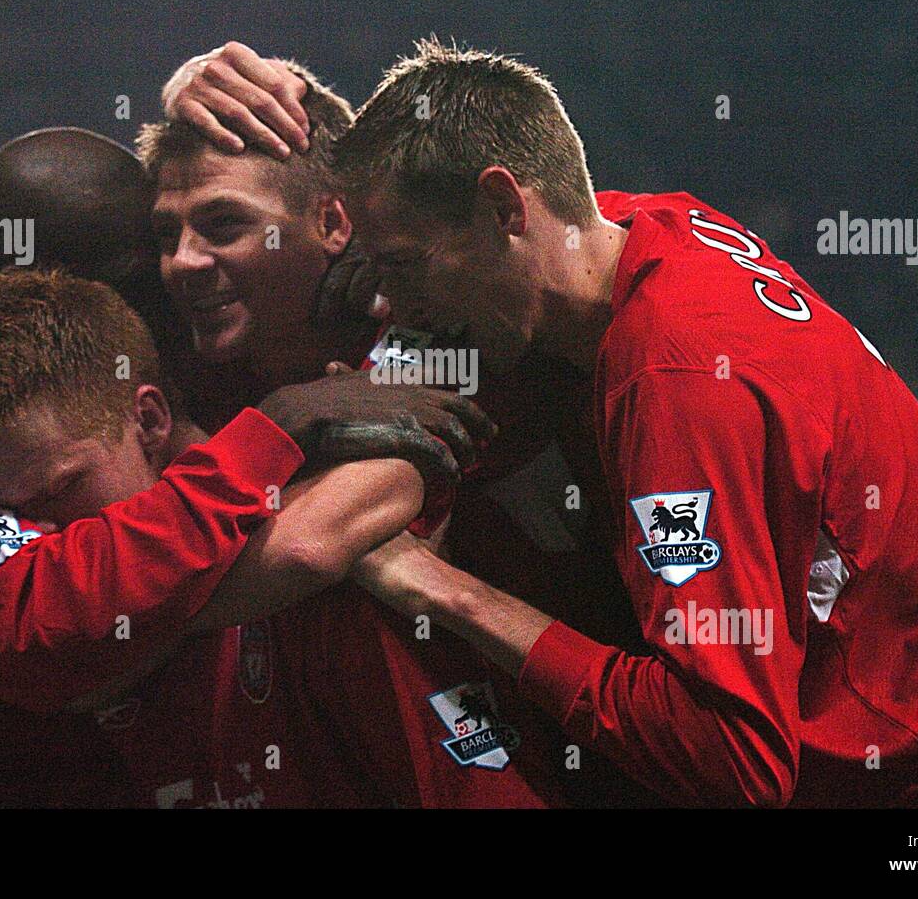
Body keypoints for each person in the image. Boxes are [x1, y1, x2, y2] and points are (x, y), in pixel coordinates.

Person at [332, 38, 918, 807]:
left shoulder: (677, 379)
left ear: (503, 208)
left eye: (403, 264)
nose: (388, 301)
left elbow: (735, 762)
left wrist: (447, 592)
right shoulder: (644, 230)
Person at [0, 126, 488, 807]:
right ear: (32, 299)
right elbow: (44, 632)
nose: (173, 278)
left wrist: (380, 257)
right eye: (139, 271)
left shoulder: (170, 361)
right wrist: (271, 437)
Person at [150, 48, 649, 804]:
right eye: (165, 234)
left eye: (224, 224)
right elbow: (62, 199)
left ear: (332, 221)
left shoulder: (451, 324)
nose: (184, 262)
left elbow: (307, 547)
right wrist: (184, 80)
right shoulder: (197, 344)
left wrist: (82, 613)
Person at [0, 269, 557, 807]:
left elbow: (312, 546)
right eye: (16, 514)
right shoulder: (72, 622)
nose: (43, 535)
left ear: (147, 418)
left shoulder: (328, 481)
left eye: (61, 489)